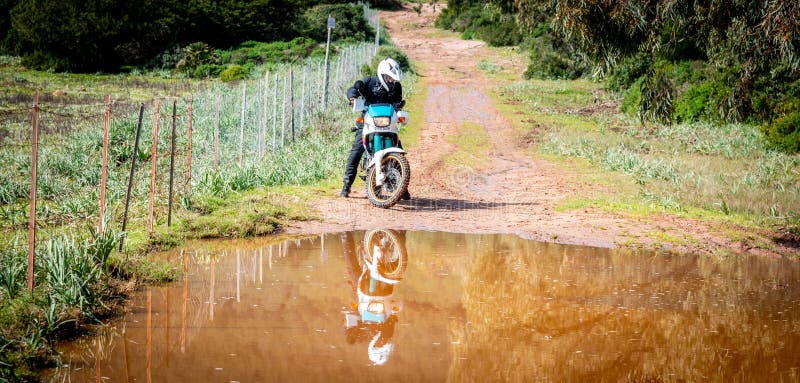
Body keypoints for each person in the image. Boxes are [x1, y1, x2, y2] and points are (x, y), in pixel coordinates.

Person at [341, 58, 410, 200]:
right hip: (368, 122)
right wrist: (353, 98)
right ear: (382, 75)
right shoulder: (369, 81)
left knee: (399, 147)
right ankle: (346, 186)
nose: (391, 81)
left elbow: (397, 103)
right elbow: (352, 90)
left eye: (393, 79)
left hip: (387, 122)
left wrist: (399, 110)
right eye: (389, 78)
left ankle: (403, 187)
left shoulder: (396, 87)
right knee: (356, 151)